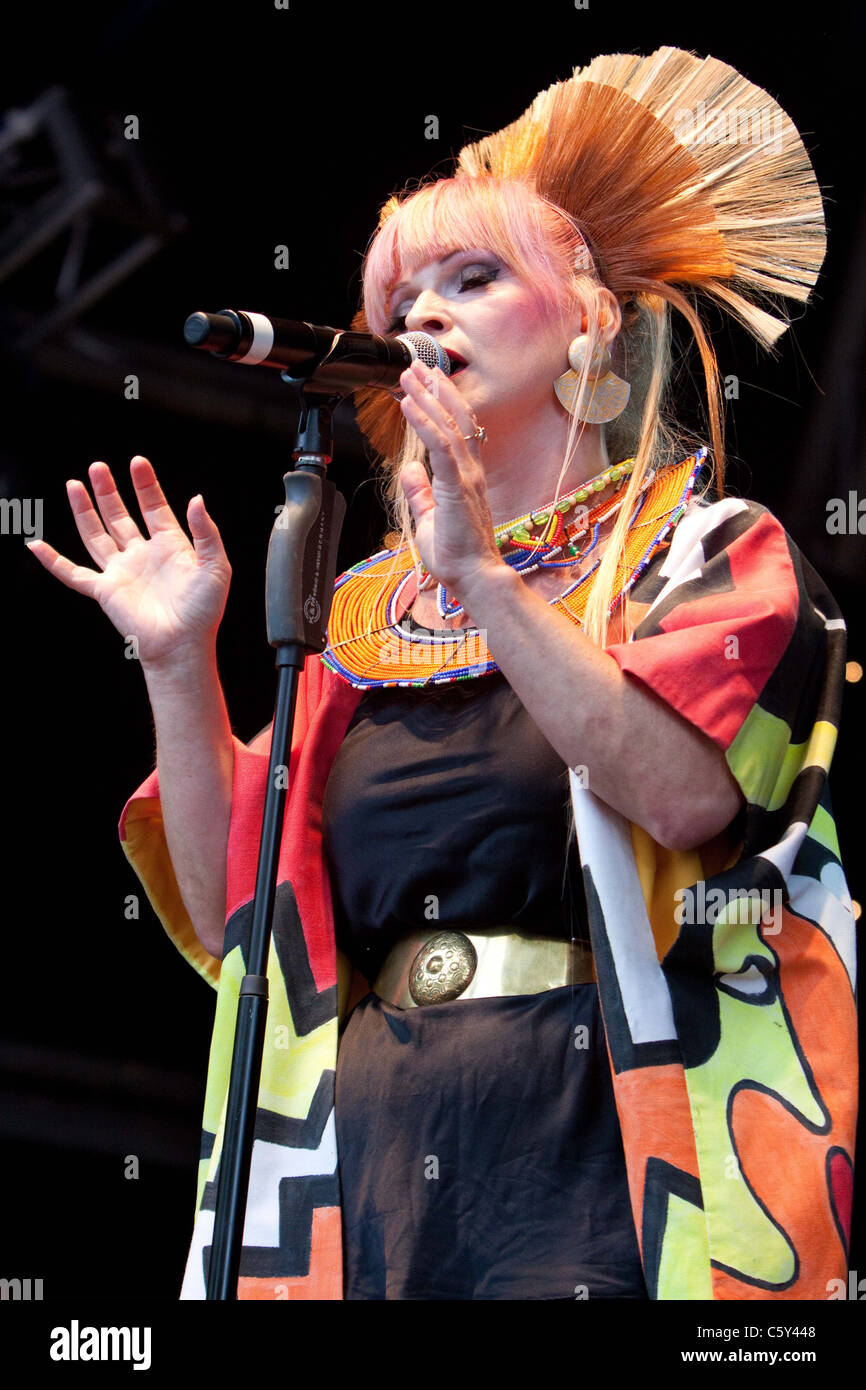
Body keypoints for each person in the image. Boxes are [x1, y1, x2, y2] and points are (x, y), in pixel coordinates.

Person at [26, 46, 857, 1300]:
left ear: (590, 326)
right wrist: (176, 663)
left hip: (600, 1139)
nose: (422, 317)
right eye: (400, 296)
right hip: (368, 1155)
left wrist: (479, 573)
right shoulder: (362, 614)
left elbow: (685, 798)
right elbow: (231, 913)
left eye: (472, 279)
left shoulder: (701, 549)